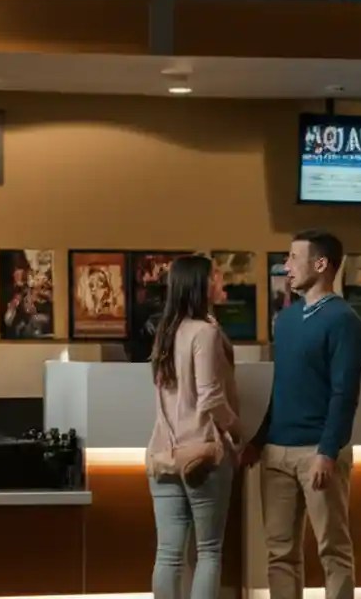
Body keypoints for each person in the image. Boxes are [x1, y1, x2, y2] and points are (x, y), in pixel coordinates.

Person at [242, 229, 361, 599]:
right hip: (275, 453)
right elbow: (283, 388)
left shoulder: (344, 320)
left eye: (294, 257)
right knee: (280, 553)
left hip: (318, 452)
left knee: (333, 550)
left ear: (321, 263)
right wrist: (259, 440)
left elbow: (344, 393)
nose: (286, 265)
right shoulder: (288, 320)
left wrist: (328, 451)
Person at [146, 254, 240, 599]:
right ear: (200, 285)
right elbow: (211, 398)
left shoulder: (165, 333)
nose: (222, 282)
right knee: (209, 551)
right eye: (216, 276)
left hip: (162, 454)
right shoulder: (205, 332)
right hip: (203, 454)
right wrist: (237, 431)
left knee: (168, 554)